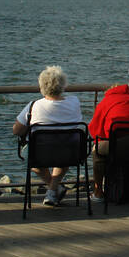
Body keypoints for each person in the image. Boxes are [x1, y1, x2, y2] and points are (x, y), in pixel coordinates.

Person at [12, 65, 83, 206]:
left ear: (41, 86)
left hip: (39, 154)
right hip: (70, 153)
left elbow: (17, 131)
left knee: (32, 158)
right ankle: (53, 189)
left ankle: (53, 188)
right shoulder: (74, 102)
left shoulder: (34, 106)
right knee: (63, 148)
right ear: (63, 85)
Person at [87, 84, 129, 203]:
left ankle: (98, 191)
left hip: (117, 145)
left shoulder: (106, 102)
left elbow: (94, 129)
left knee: (96, 151)